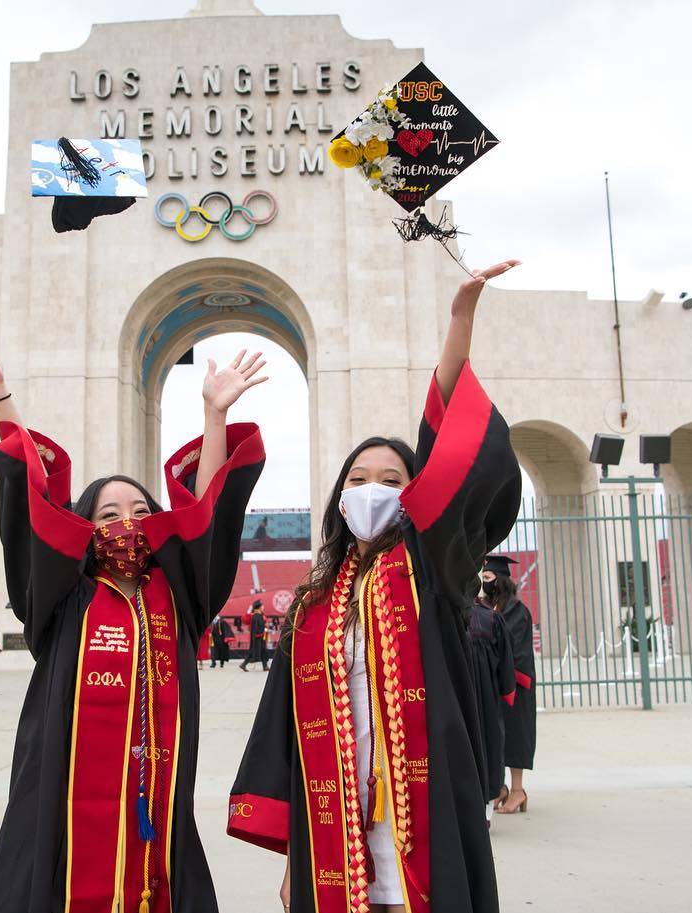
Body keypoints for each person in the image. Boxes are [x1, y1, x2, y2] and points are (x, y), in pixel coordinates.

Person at [0, 316, 267, 913]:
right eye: (109, 513)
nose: (127, 523)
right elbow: (33, 502)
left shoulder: (178, 596)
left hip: (157, 798)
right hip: (63, 795)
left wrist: (215, 418)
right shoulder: (62, 599)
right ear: (83, 529)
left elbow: (206, 519)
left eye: (140, 510)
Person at [229, 260, 522, 913]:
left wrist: (460, 321)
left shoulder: (427, 567)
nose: (373, 489)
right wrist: (294, 855)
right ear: (339, 495)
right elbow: (282, 722)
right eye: (358, 477)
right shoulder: (313, 602)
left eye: (391, 478)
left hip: (421, 802)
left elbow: (445, 447)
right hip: (337, 811)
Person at [483, 554, 535, 815]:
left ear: (501, 581)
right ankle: (501, 787)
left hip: (515, 684)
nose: (485, 583)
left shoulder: (516, 610)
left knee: (515, 737)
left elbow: (509, 648)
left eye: (489, 578)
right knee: (496, 737)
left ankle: (518, 790)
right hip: (496, 683)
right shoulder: (489, 608)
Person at [468, 582, 512, 823]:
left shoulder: (449, 618)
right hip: (487, 698)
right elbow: (506, 664)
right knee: (488, 745)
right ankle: (486, 813)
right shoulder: (492, 619)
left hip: (458, 699)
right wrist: (506, 690)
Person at [239, 599, 269, 671]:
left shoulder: (260, 615)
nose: (263, 607)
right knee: (253, 651)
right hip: (258, 637)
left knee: (263, 651)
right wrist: (259, 634)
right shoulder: (256, 616)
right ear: (259, 607)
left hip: (261, 636)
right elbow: (256, 627)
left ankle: (265, 666)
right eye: (262, 606)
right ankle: (243, 664)